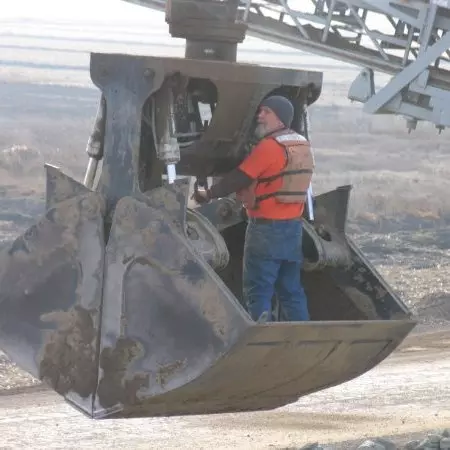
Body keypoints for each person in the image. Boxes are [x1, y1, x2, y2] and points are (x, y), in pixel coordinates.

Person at [193, 95, 314, 322]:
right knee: (291, 290)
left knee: (258, 289)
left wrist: (208, 194)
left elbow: (239, 178)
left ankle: (260, 340)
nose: (259, 116)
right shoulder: (301, 144)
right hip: (293, 229)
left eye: (266, 112)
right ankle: (300, 337)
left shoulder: (269, 147)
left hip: (266, 231)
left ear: (280, 118)